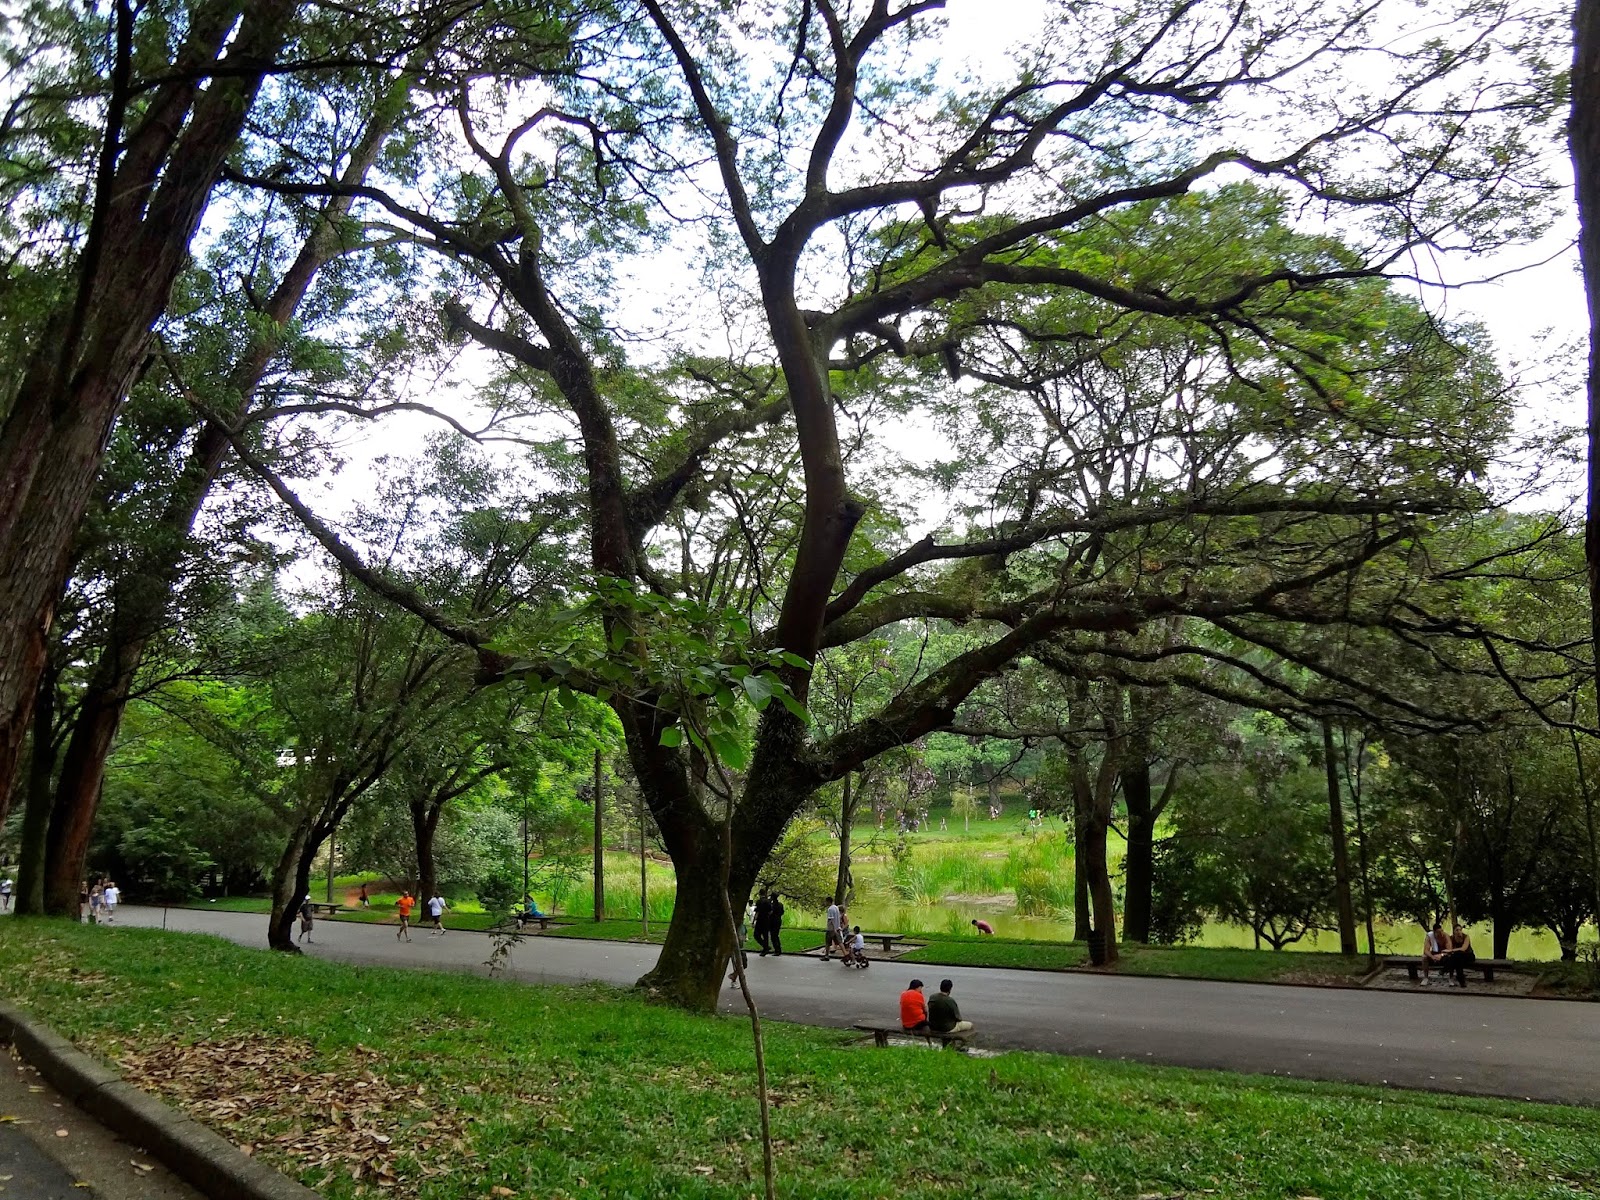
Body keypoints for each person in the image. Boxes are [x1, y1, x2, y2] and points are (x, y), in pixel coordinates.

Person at [1445, 922, 1476, 988]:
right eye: (1457, 930)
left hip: (1468, 956)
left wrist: (1451, 950)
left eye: (1460, 930)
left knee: (1458, 954)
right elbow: (1448, 948)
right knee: (1458, 959)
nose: (1459, 932)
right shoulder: (1451, 938)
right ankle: (1461, 981)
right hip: (1458, 958)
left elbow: (1463, 949)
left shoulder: (1466, 937)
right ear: (1454, 931)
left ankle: (1445, 969)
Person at [1421, 920, 1448, 985]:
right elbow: (1426, 950)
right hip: (1434, 953)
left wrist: (1441, 955)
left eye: (1441, 931)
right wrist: (1432, 957)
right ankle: (1425, 978)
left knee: (1451, 957)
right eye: (1438, 932)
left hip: (1444, 954)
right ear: (1434, 932)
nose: (1440, 933)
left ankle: (1451, 978)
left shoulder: (1446, 936)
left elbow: (1450, 949)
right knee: (1424, 957)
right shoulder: (1430, 936)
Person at [753, 889, 773, 956]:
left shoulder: (759, 902)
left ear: (759, 894)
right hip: (766, 920)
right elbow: (770, 911)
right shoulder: (768, 901)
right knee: (765, 935)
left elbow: (757, 912)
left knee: (756, 935)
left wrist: (753, 921)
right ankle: (765, 948)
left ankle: (765, 947)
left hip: (760, 920)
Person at [768, 891, 785, 956]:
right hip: (778, 920)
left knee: (773, 936)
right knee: (776, 935)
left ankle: (777, 950)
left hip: (773, 921)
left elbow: (770, 913)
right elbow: (782, 912)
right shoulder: (780, 904)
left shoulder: (772, 905)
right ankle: (778, 949)